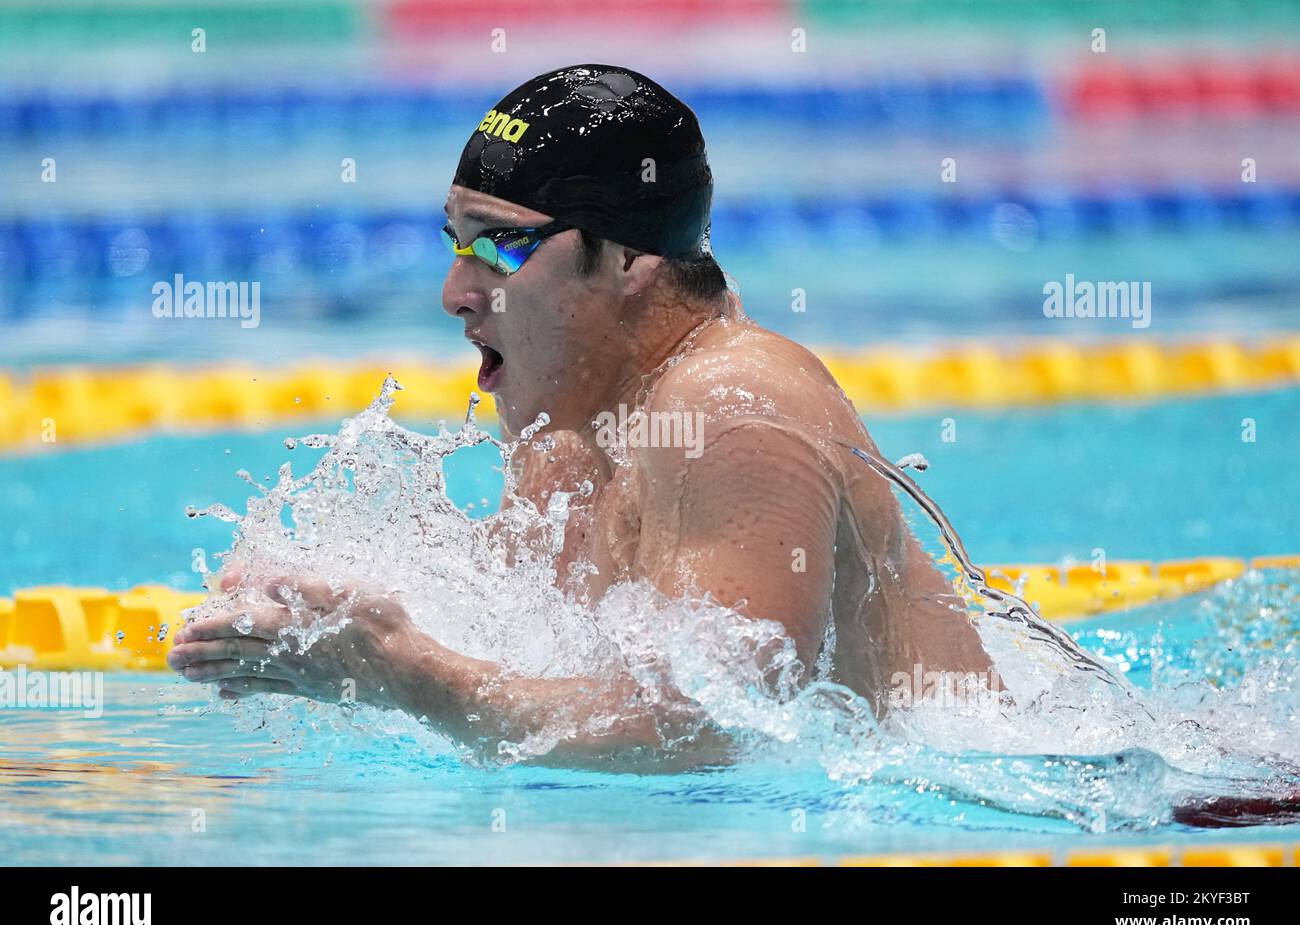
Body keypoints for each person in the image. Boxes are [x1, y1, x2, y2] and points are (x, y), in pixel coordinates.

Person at [169, 65, 998, 768]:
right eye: (455, 243)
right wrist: (323, 619)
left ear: (632, 257)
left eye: (500, 246)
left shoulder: (730, 410)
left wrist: (401, 670)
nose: (456, 292)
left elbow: (720, 727)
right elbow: (544, 650)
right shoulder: (568, 421)